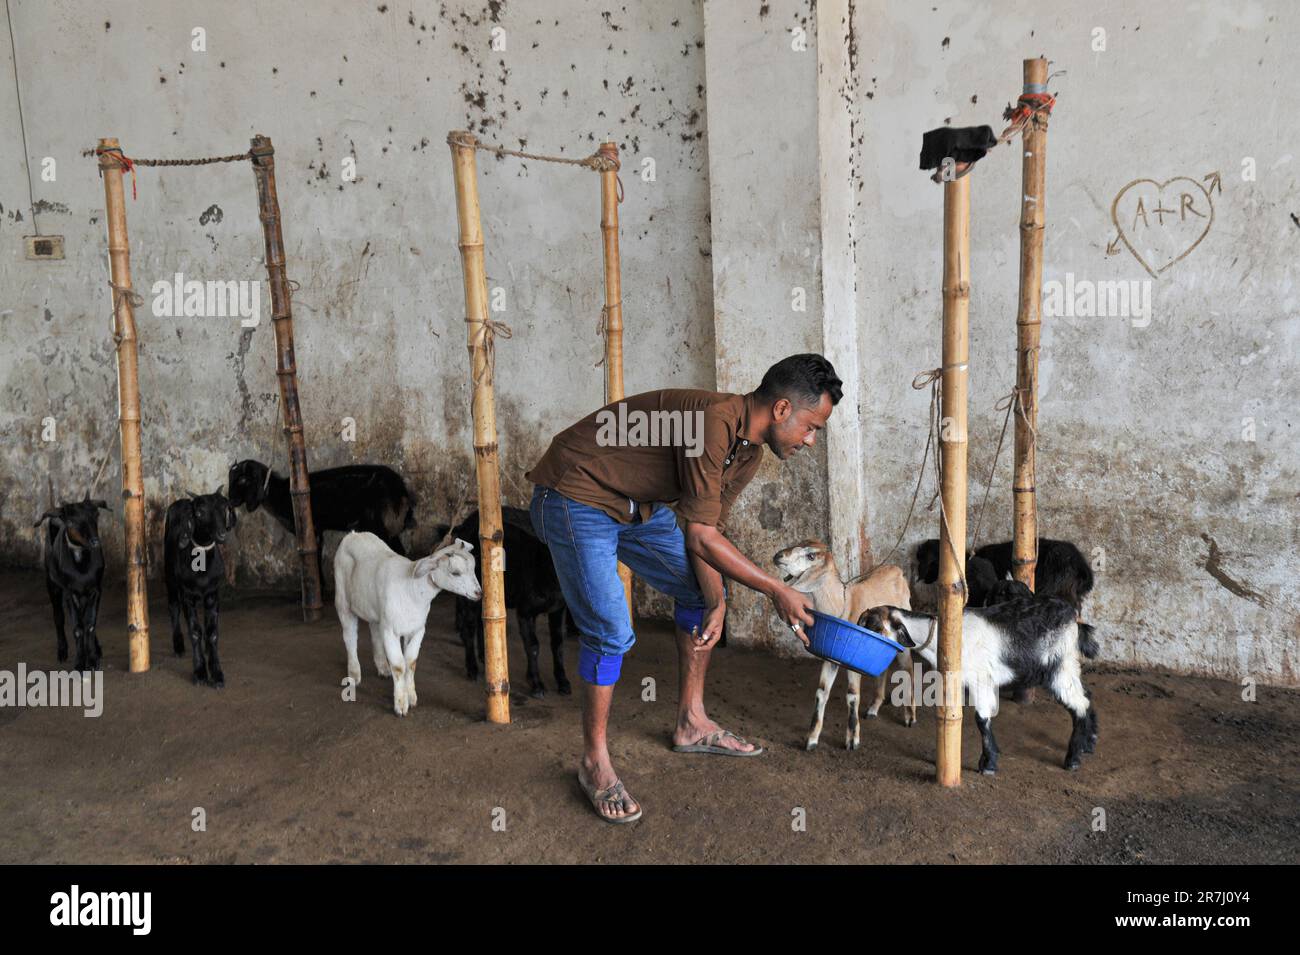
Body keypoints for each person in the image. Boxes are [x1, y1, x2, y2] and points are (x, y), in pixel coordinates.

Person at [526, 353, 841, 823]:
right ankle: (594, 762)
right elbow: (699, 537)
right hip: (575, 495)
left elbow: (706, 532)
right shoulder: (714, 423)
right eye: (811, 426)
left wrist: (717, 599)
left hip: (639, 508)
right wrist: (775, 589)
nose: (810, 440)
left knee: (702, 593)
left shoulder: (749, 453)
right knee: (610, 629)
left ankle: (692, 723)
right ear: (781, 410)